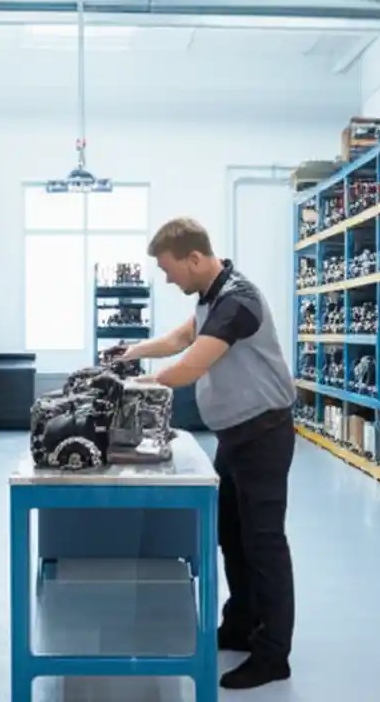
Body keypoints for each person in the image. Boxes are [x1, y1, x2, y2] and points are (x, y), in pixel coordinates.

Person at [118, 216, 297, 690]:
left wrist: (132, 384)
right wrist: (129, 353)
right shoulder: (212, 296)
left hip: (263, 434)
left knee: (264, 542)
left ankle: (274, 653)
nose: (167, 277)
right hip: (236, 435)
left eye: (168, 268)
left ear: (194, 258)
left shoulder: (238, 300)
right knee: (231, 536)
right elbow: (180, 339)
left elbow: (191, 365)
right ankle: (241, 625)